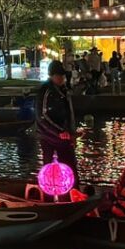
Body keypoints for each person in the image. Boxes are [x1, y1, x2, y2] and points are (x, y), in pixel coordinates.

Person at [36, 60, 79, 188]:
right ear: (52, 76)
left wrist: (72, 132)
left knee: (70, 165)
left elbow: (69, 113)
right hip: (49, 137)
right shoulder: (46, 91)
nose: (62, 78)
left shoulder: (64, 90)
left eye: (63, 75)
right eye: (59, 75)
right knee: (50, 167)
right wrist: (59, 131)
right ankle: (51, 192)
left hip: (64, 136)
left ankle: (73, 190)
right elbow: (42, 116)